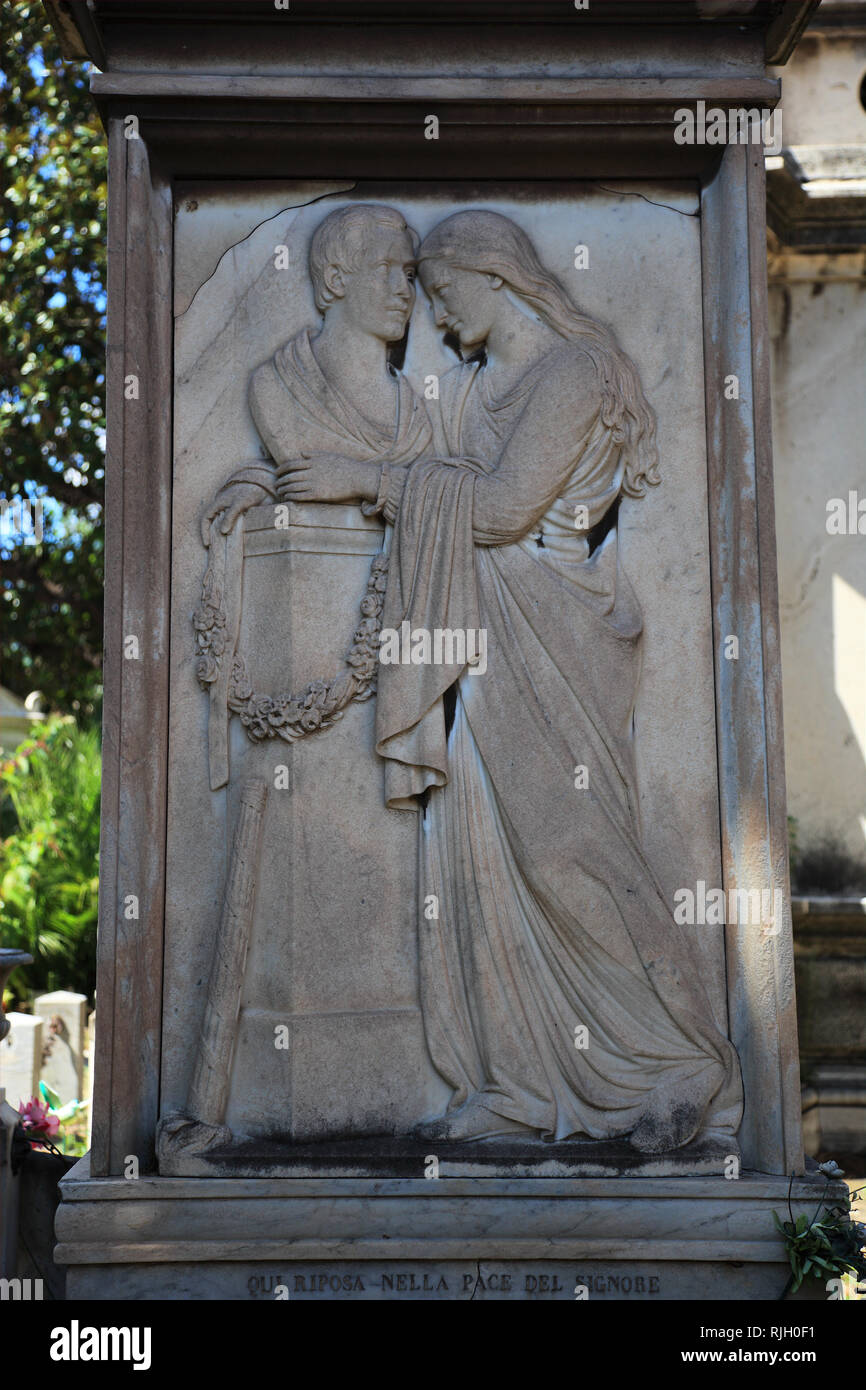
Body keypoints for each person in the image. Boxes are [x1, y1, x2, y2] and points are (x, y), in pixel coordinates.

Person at [288, 209, 744, 1153]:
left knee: (570, 850)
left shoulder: (573, 374)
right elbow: (422, 465)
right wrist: (290, 479)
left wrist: (359, 480)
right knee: (476, 856)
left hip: (555, 627)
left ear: (493, 276)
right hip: (478, 641)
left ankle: (680, 1060)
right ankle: (522, 1083)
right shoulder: (468, 390)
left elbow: (497, 509)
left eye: (445, 294)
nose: (437, 319)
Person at [200, 202, 431, 544]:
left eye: (409, 275)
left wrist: (361, 480)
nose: (404, 290)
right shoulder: (276, 387)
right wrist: (262, 482)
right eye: (385, 269)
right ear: (336, 279)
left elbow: (458, 500)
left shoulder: (418, 412)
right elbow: (303, 472)